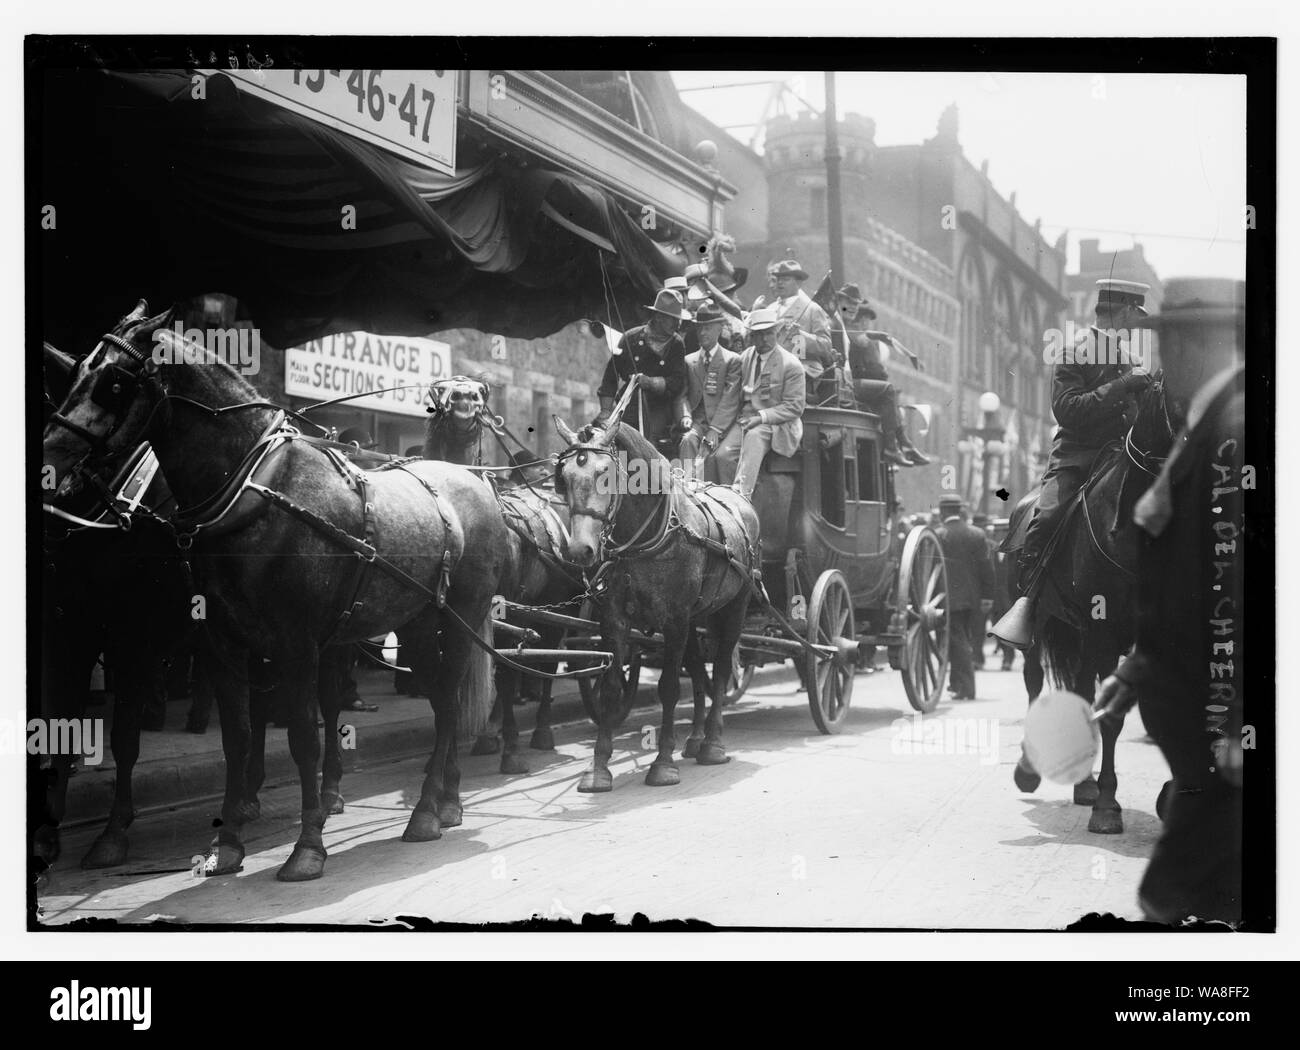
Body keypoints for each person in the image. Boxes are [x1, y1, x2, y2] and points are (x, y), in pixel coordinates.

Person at [1094, 277, 1247, 925]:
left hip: (1218, 734)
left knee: (1176, 893)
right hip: (1080, 454)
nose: (1158, 360)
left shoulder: (1233, 429)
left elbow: (1238, 583)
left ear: (1187, 344)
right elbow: (1189, 577)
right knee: (1045, 518)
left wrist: (1238, 712)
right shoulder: (1204, 419)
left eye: (1165, 342)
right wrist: (1136, 665)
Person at [991, 278, 1153, 648]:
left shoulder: (1131, 359)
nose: (1136, 324)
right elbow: (1067, 409)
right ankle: (1029, 600)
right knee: (1046, 516)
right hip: (1077, 457)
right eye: (1135, 315)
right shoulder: (1076, 350)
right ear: (1124, 310)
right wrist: (1124, 385)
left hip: (1121, 456)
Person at [835, 284, 929, 466]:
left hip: (848, 382)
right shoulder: (837, 324)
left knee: (889, 394)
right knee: (888, 390)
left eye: (856, 303)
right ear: (838, 301)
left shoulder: (847, 327)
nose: (853, 307)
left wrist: (910, 355)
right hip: (843, 384)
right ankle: (897, 446)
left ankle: (903, 445)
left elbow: (883, 336)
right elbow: (871, 339)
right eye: (849, 302)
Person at [595, 289, 690, 454]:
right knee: (597, 437)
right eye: (671, 319)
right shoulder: (630, 338)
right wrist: (605, 411)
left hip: (659, 407)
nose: (676, 323)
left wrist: (651, 383)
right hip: (626, 403)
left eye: (677, 319)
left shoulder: (676, 344)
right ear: (658, 317)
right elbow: (611, 376)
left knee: (648, 442)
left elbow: (677, 381)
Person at [731, 306, 806, 499]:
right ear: (752, 337)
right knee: (722, 454)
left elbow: (794, 406)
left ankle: (741, 496)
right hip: (744, 419)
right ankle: (721, 500)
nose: (764, 340)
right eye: (759, 335)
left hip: (777, 425)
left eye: (769, 334)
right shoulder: (745, 357)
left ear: (777, 333)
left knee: (754, 438)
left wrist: (762, 417)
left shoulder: (791, 365)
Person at [332, 425, 381, 712]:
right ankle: (344, 695)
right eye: (370, 445)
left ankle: (345, 694)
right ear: (354, 447)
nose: (376, 452)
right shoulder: (347, 484)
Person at [750, 259, 839, 399]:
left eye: (785, 279)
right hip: (770, 371)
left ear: (798, 283)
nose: (779, 283)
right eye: (778, 279)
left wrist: (801, 336)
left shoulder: (812, 309)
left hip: (803, 372)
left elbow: (826, 346)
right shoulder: (770, 309)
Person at [935, 494, 994, 701]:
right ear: (960, 511)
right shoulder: (977, 534)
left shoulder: (938, 535)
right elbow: (987, 567)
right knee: (962, 639)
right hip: (974, 597)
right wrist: (988, 596)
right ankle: (957, 684)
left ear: (943, 513)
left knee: (957, 641)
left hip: (948, 598)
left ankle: (967, 688)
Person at [679, 303, 743, 484]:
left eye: (708, 328)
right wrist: (685, 415)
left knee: (715, 454)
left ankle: (723, 498)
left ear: (720, 329)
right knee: (687, 440)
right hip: (698, 422)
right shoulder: (689, 360)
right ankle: (686, 491)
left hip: (724, 426)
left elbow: (730, 398)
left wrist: (715, 429)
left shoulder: (732, 360)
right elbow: (682, 394)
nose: (703, 333)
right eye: (699, 328)